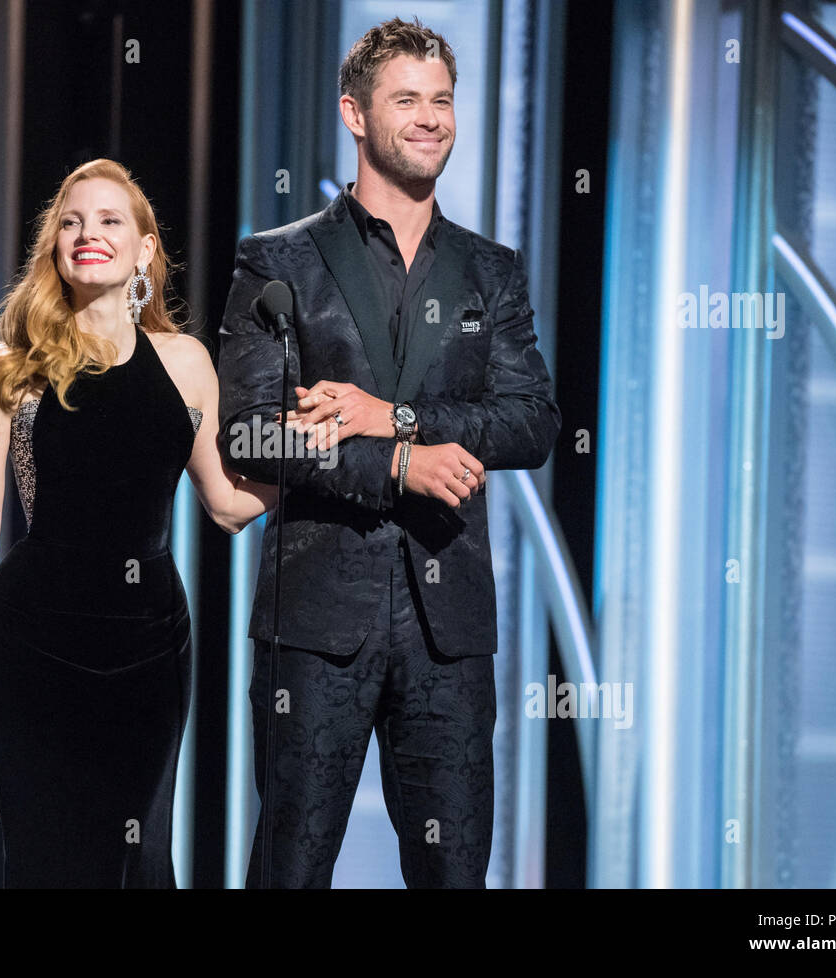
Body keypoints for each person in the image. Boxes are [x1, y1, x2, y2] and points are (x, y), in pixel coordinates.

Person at [217, 17, 561, 888]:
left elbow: (532, 423)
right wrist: (402, 464)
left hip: (451, 632)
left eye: (442, 100)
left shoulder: (493, 271)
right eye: (407, 98)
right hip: (316, 623)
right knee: (289, 868)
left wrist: (393, 417)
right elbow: (249, 434)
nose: (431, 117)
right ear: (355, 114)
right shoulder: (278, 261)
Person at [0, 158, 276, 888]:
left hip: (147, 650)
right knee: (48, 862)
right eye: (72, 222)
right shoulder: (6, 371)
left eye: (110, 220)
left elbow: (228, 503)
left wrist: (318, 463)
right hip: (29, 650)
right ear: (55, 246)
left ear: (145, 248)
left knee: (137, 863)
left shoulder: (186, 364)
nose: (89, 234)